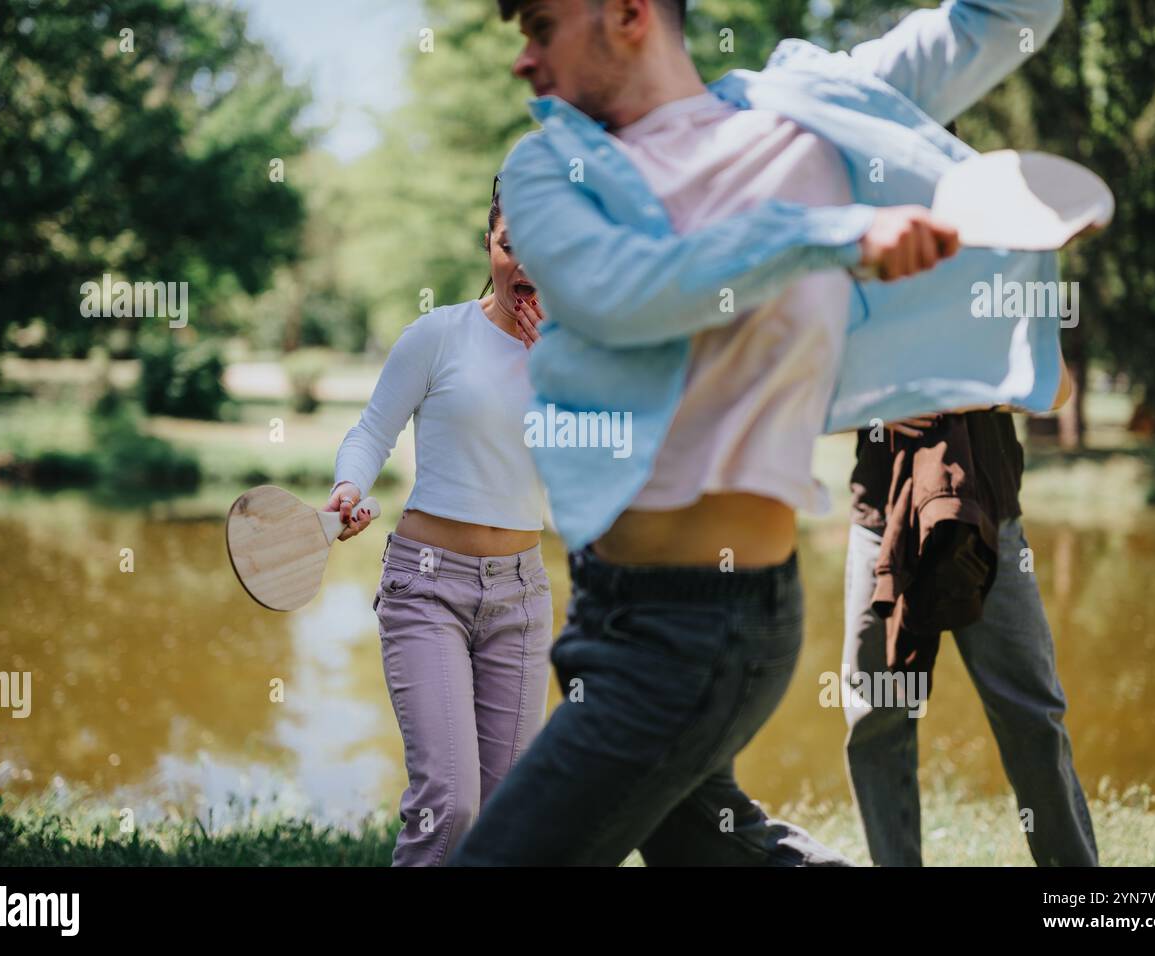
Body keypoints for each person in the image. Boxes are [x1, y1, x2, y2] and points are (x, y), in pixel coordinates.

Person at [450, 0, 1068, 866]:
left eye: (541, 26)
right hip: (604, 611)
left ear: (626, 14)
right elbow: (624, 293)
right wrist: (834, 235)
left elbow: (1007, 17)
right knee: (721, 853)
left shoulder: (811, 110)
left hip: (705, 626)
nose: (523, 59)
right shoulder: (547, 170)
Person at [326, 193, 553, 866]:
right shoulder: (440, 335)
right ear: (489, 244)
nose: (523, 261)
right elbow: (373, 430)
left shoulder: (579, 362)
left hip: (522, 594)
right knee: (448, 803)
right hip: (426, 588)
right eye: (510, 243)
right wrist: (348, 487)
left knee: (508, 816)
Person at [842, 388, 1099, 866]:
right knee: (878, 715)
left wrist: (980, 391)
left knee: (1031, 713)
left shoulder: (1006, 309)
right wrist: (874, 407)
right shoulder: (855, 308)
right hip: (881, 521)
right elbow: (806, 388)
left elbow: (1057, 386)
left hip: (990, 513)